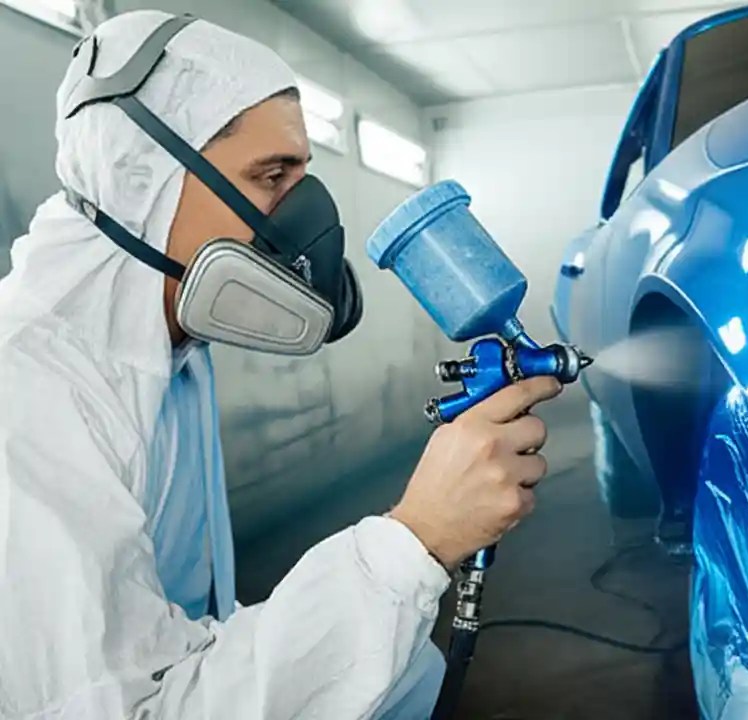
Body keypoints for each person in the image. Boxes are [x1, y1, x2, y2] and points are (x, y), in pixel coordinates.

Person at [0, 10, 560, 718]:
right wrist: (417, 539)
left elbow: (187, 646)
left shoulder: (169, 354)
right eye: (272, 177)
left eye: (301, 177)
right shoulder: (26, 396)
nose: (301, 219)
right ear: (144, 182)